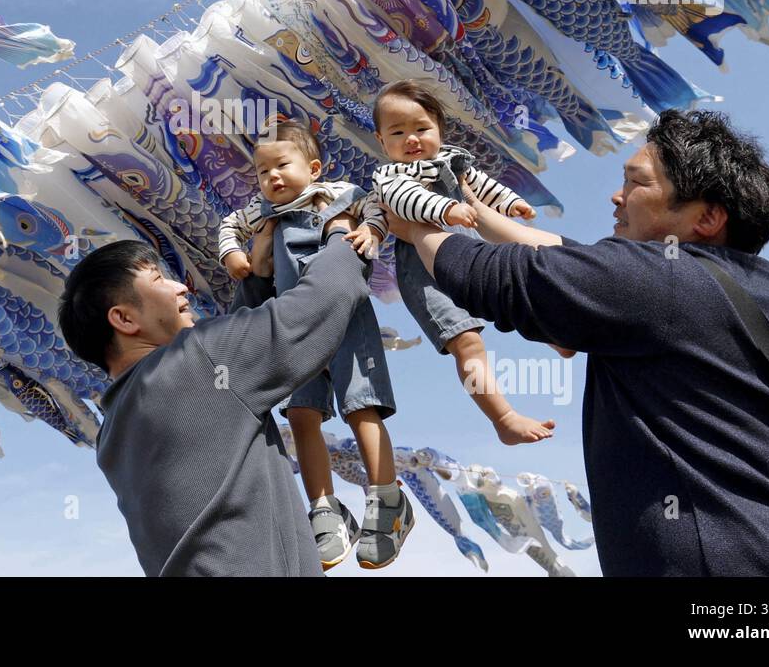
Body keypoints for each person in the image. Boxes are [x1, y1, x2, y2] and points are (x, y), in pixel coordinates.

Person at [389, 108, 769, 576]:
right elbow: (559, 254)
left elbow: (493, 277)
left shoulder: (661, 280)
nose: (616, 197)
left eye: (637, 183)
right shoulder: (759, 291)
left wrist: (411, 222)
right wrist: (474, 204)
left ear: (706, 218)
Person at [56, 210, 373, 576]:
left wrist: (257, 279)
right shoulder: (195, 363)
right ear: (125, 320)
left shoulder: (114, 433)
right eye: (159, 279)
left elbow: (227, 387)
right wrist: (343, 233)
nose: (181, 287)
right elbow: (324, 302)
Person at [217, 121, 414, 570]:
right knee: (302, 412)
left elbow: (377, 208)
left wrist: (373, 232)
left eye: (281, 166)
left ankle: (386, 496)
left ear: (314, 167)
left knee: (360, 404)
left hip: (344, 314)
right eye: (262, 172)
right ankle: (324, 508)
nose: (272, 178)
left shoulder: (339, 193)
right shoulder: (264, 213)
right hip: (295, 325)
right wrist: (234, 254)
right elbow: (229, 226)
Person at [372, 80, 559, 445]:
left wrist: (510, 204)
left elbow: (485, 188)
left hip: (470, 253)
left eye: (421, 128)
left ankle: (556, 333)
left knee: (516, 292)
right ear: (381, 141)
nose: (411, 139)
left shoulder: (453, 161)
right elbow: (406, 199)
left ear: (440, 130)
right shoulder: (390, 176)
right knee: (467, 342)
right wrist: (446, 208)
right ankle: (503, 417)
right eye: (397, 132)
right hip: (427, 272)